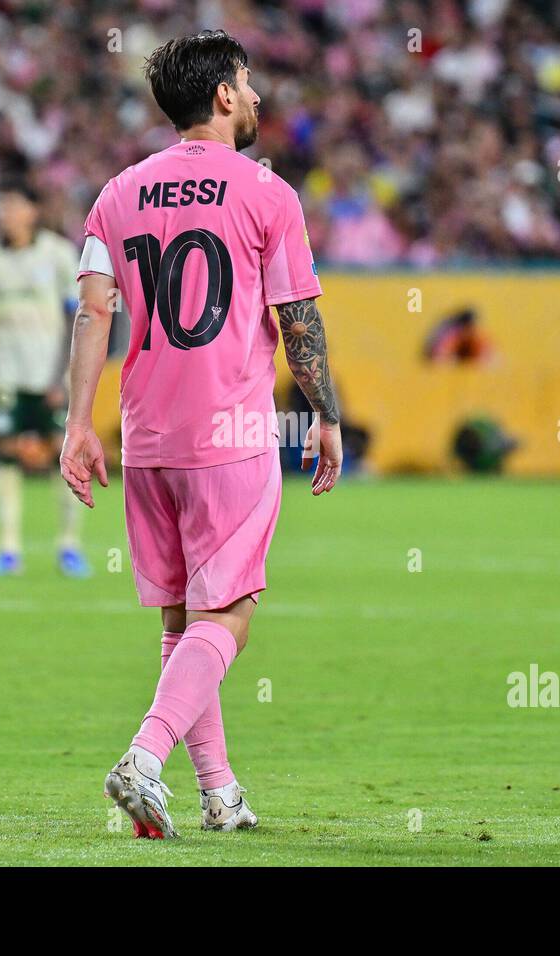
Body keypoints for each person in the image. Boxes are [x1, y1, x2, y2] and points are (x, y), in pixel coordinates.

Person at [60, 30, 342, 839]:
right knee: (233, 612)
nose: (257, 99)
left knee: (182, 622)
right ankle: (144, 757)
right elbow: (298, 317)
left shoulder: (116, 194)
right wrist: (324, 414)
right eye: (249, 85)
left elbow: (92, 309)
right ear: (222, 94)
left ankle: (219, 795)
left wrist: (80, 426)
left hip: (147, 438)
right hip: (231, 434)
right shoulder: (266, 192)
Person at [0, 180, 87, 577]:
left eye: (13, 206)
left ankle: (69, 546)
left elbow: (75, 317)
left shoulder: (58, 254)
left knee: (63, 455)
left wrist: (62, 375)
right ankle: (8, 548)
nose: (6, 215)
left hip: (50, 376)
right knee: (5, 454)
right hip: (5, 376)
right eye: (1, 207)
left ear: (33, 211)